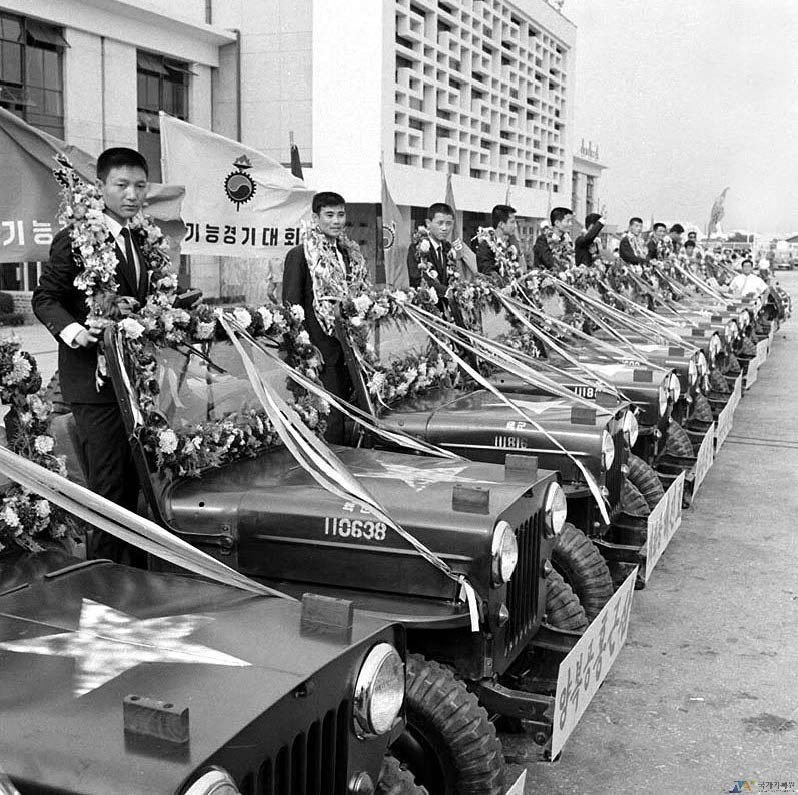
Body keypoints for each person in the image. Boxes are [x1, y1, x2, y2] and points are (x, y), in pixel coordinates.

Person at [32, 147, 151, 566]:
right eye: (121, 185)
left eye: (139, 185)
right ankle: (105, 577)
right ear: (100, 187)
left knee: (136, 480)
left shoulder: (139, 239)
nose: (131, 194)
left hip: (132, 382)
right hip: (93, 384)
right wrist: (76, 331)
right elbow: (45, 298)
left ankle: (135, 569)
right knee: (108, 485)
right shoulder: (77, 238)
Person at [283, 191, 364, 445]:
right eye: (329, 215)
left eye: (341, 214)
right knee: (329, 422)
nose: (336, 221)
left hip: (349, 352)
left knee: (352, 415)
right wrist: (304, 354)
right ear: (316, 218)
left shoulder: (349, 254)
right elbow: (292, 310)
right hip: (319, 354)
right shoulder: (300, 255)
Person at [406, 202, 464, 298]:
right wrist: (446, 291)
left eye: (448, 223)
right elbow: (418, 278)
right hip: (426, 306)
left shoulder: (448, 248)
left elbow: (451, 276)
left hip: (447, 306)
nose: (444, 228)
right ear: (428, 223)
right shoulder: (417, 248)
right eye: (440, 223)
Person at [475, 204, 517, 276]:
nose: (515, 226)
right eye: (512, 222)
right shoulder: (486, 246)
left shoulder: (509, 246)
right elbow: (488, 274)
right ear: (501, 224)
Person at [533, 206, 575, 272]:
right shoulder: (543, 239)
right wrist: (565, 269)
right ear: (557, 223)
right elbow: (549, 262)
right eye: (568, 221)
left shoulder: (566, 240)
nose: (570, 224)